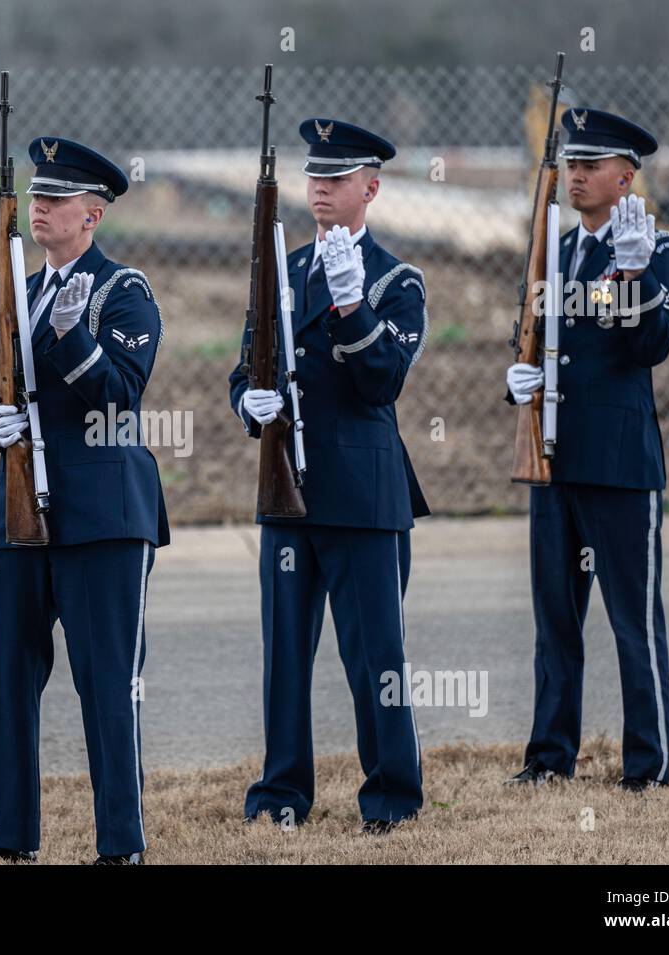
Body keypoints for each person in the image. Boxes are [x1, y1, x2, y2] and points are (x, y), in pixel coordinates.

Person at [228, 118, 430, 834]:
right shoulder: (281, 268)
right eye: (315, 176)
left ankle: (392, 794)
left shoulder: (397, 281)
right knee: (285, 654)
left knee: (375, 654)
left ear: (370, 188)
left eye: (338, 177)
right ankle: (281, 792)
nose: (321, 187)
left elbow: (382, 383)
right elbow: (246, 364)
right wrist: (247, 402)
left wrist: (350, 309)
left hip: (362, 495)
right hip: (287, 489)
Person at [0, 137, 168, 864]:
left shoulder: (126, 291)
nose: (41, 207)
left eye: (57, 199)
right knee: (8, 679)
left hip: (101, 513)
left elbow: (119, 393)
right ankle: (11, 837)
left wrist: (68, 343)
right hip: (19, 510)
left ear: (94, 214)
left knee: (107, 684)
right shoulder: (21, 289)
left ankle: (121, 845)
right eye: (37, 195)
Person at [505, 108, 669, 792]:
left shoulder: (656, 250)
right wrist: (516, 376)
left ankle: (649, 765)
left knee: (633, 624)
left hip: (617, 466)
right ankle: (550, 757)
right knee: (555, 624)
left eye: (591, 166)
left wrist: (635, 279)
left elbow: (650, 347)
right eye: (571, 165)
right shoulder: (557, 247)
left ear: (626, 177)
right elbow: (531, 328)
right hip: (553, 458)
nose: (576, 176)